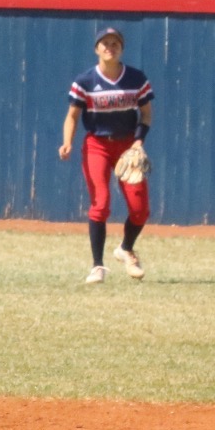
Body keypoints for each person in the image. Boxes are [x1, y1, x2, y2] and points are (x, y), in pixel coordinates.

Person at [59, 27, 154, 283]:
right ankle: (97, 266)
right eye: (105, 43)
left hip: (127, 146)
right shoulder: (85, 81)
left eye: (115, 43)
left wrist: (138, 141)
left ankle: (125, 248)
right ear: (96, 49)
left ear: (121, 49)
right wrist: (67, 142)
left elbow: (146, 114)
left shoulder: (135, 78)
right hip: (97, 145)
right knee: (100, 204)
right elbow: (72, 116)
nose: (110, 47)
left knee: (140, 209)